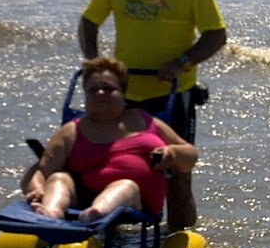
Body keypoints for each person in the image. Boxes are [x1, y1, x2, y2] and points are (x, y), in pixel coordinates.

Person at [77, 0, 226, 228]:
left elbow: (216, 35)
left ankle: (179, 238)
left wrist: (181, 63)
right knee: (108, 165)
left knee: (177, 173)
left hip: (174, 94)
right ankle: (102, 228)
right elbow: (89, 21)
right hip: (122, 95)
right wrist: (92, 62)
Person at [24, 58, 198, 222]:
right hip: (83, 195)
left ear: (123, 94)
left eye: (108, 89)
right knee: (58, 178)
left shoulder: (143, 120)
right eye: (93, 89)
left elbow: (191, 154)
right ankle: (51, 214)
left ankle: (96, 214)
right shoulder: (71, 131)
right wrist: (37, 188)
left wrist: (173, 153)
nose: (100, 93)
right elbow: (42, 171)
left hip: (134, 199)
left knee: (123, 185)